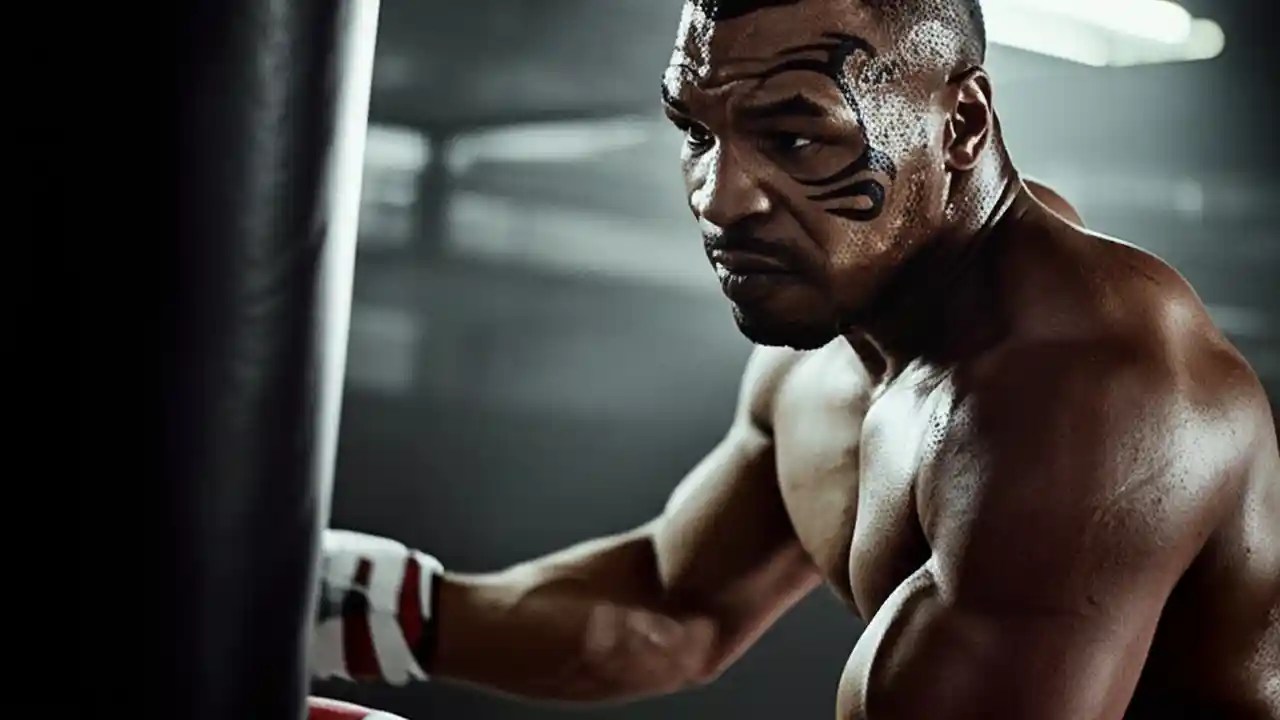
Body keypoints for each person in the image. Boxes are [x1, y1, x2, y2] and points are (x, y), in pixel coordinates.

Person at [312, 1, 1280, 717]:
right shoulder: (832, 348)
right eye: (696, 131)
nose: (717, 198)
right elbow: (667, 605)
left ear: (962, 124)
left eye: (793, 134)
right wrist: (327, 603)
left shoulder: (1084, 400)